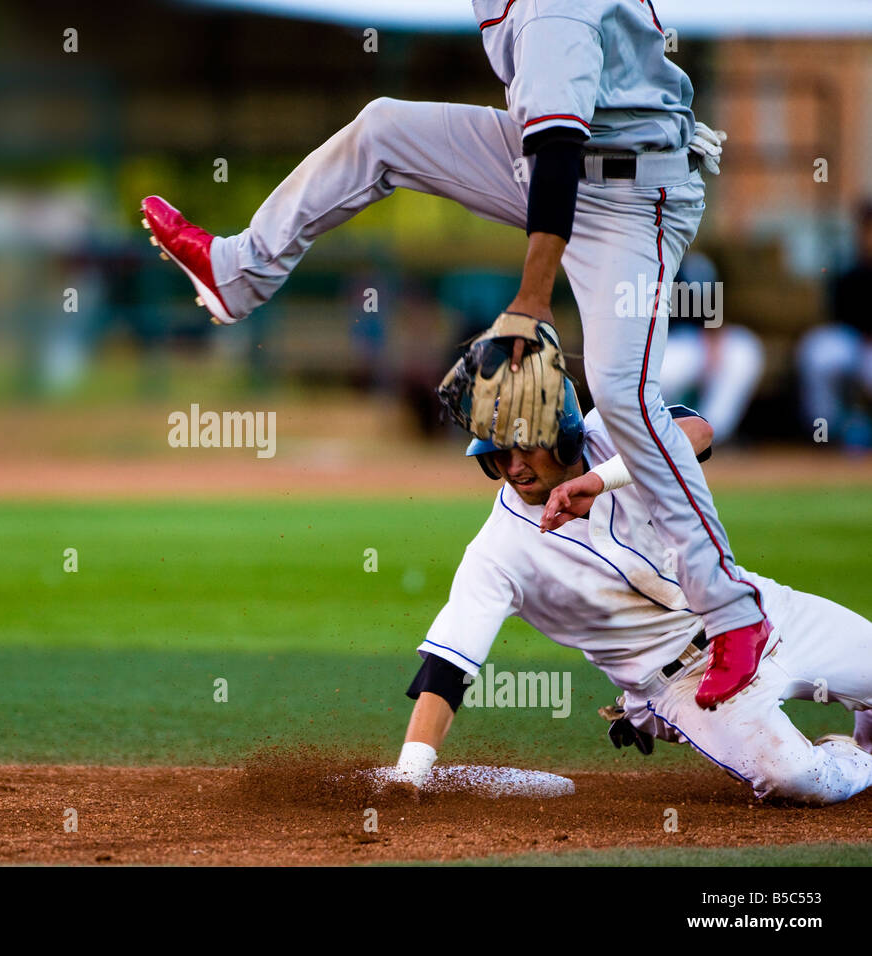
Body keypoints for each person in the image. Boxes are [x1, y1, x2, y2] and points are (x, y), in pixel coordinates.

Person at [141, 0, 771, 710]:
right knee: (384, 130)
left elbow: (559, 148)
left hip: (633, 195)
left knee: (622, 393)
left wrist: (531, 300)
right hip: (573, 164)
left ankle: (733, 613)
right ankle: (238, 271)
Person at [389, 382, 872, 804]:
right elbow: (448, 668)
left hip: (760, 612)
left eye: (524, 448)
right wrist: (410, 773)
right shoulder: (497, 553)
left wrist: (601, 480)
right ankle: (858, 762)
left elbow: (697, 431)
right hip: (688, 686)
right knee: (797, 777)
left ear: (564, 435)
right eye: (497, 454)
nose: (512, 466)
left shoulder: (613, 430)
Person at [660, 252, 764, 443]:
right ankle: (660, 437)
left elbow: (711, 311)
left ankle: (712, 434)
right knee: (663, 374)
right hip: (663, 343)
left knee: (744, 351)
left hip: (695, 342)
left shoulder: (698, 265)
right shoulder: (641, 260)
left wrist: (714, 334)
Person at [796, 200, 872, 451]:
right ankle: (828, 430)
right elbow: (838, 316)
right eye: (865, 230)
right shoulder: (850, 271)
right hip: (852, 340)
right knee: (817, 351)